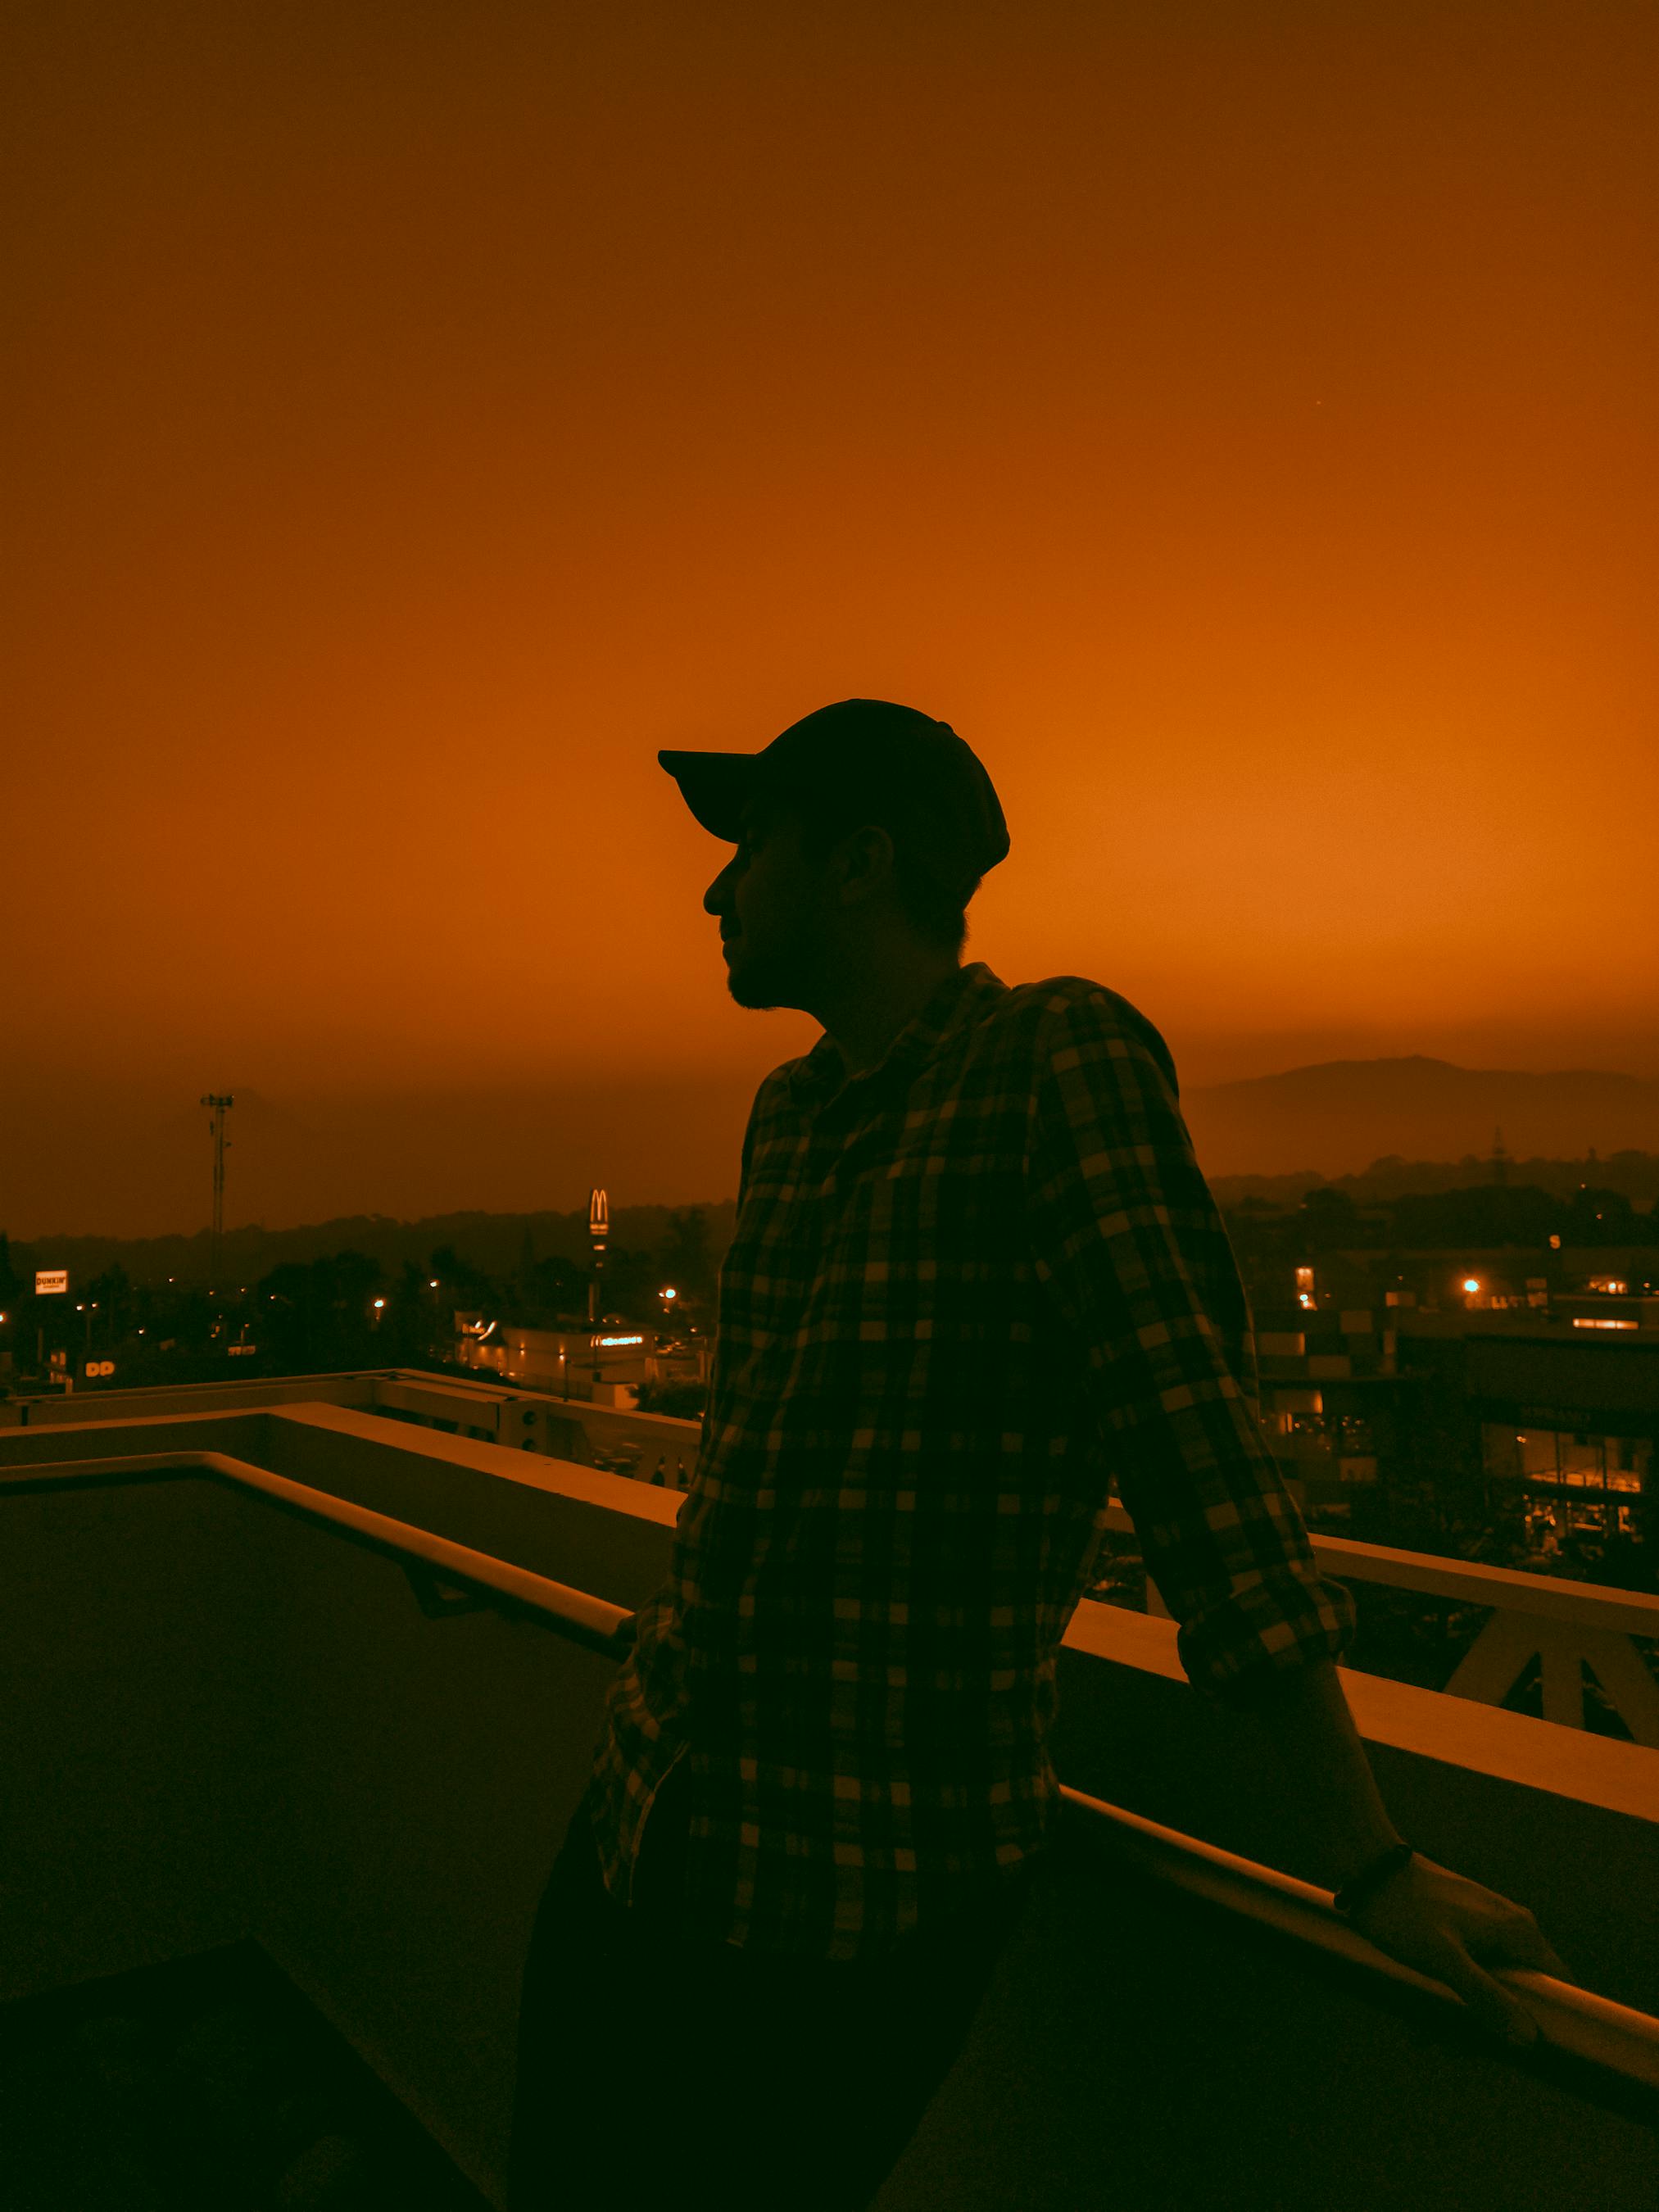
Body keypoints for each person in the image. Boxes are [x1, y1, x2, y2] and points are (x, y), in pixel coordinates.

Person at [508, 699, 1566, 2210]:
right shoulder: (789, 1118)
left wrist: (1369, 1860)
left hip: (852, 1895)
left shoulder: (1053, 1060)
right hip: (645, 1817)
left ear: (861, 861)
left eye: (750, 851)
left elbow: (1201, 1470)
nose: (714, 890)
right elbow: (771, 1458)